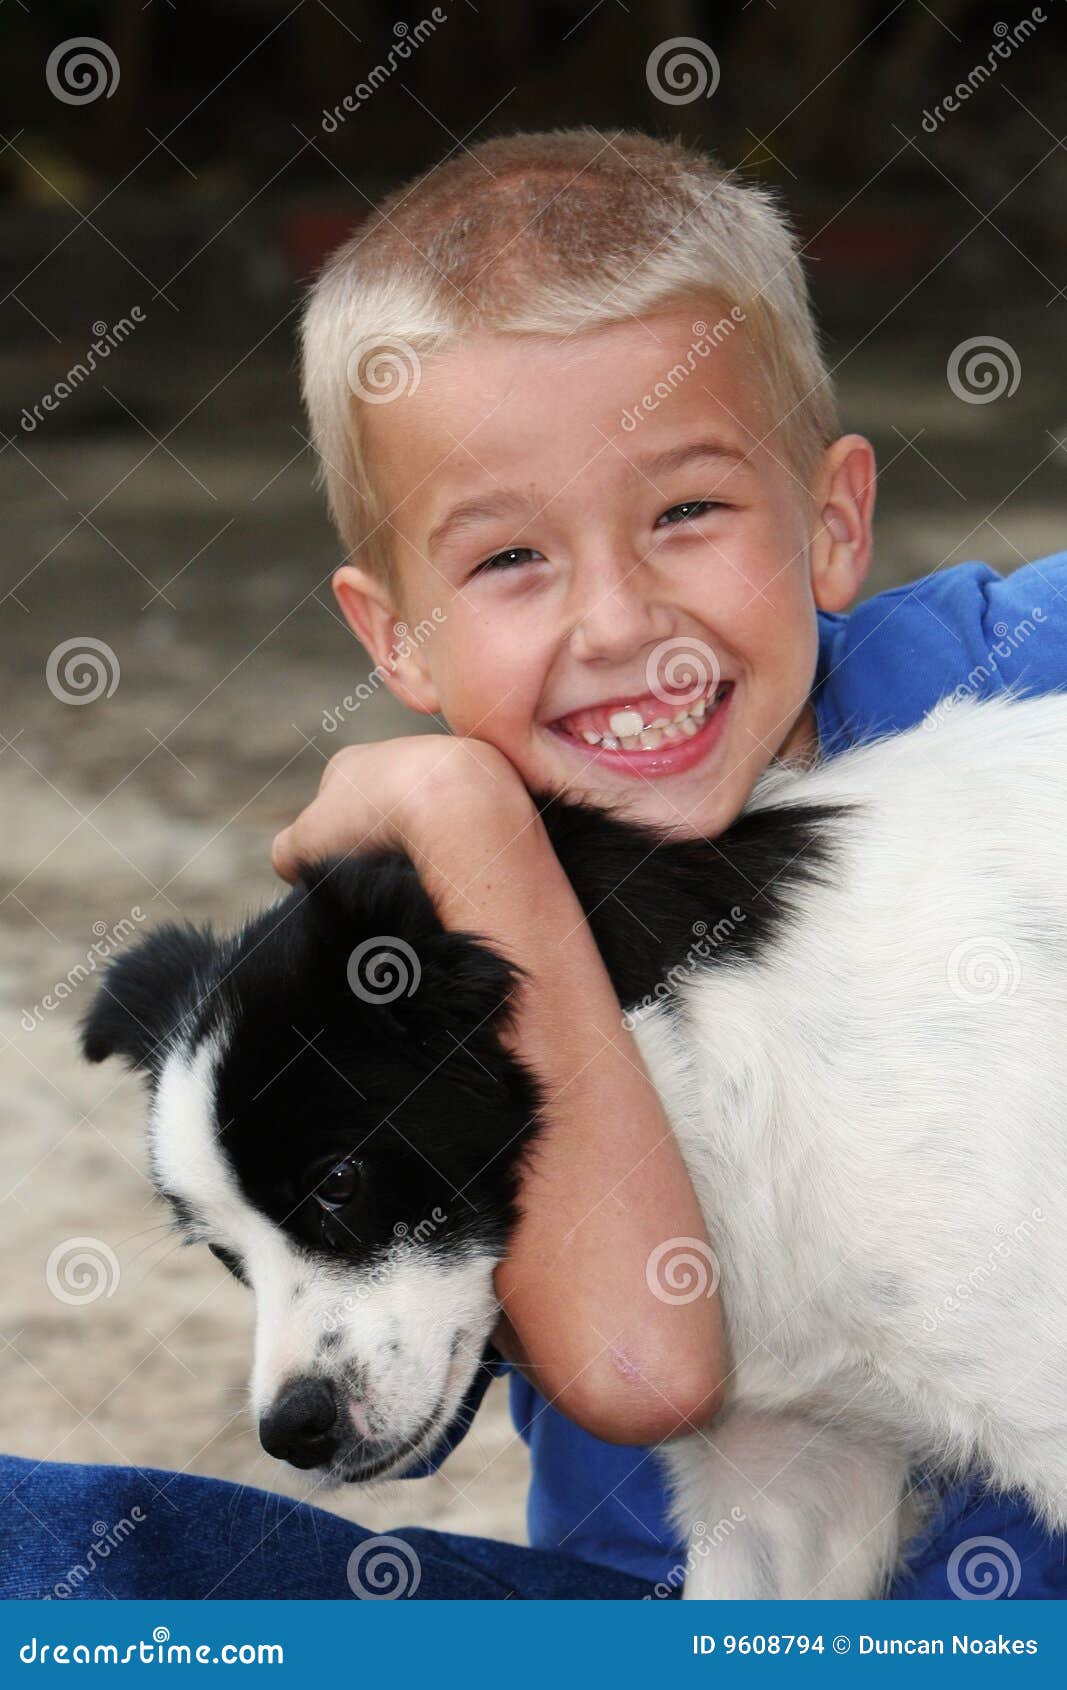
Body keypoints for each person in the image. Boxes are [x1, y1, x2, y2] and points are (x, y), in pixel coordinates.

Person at [4, 128, 1065, 1601]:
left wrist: (459, 813)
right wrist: (470, 821)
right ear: (395, 637)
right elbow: (710, 1440)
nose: (618, 622)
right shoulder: (468, 981)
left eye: (687, 510)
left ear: (833, 525)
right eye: (511, 559)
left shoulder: (1003, 685)